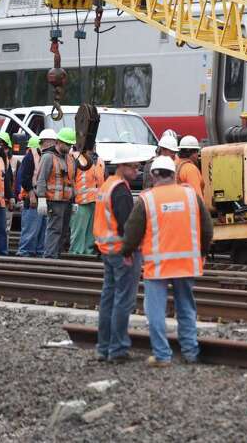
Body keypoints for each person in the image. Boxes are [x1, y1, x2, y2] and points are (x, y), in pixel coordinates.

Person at [121, 154, 213, 366]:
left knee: (155, 312)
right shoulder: (190, 196)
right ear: (174, 174)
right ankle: (190, 352)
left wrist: (127, 252)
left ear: (153, 175)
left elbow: (132, 230)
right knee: (186, 309)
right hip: (186, 263)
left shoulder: (147, 199)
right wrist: (204, 252)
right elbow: (207, 227)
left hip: (158, 266)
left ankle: (162, 356)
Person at [93, 144, 149, 363]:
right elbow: (127, 225)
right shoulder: (121, 190)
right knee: (123, 301)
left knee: (108, 299)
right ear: (122, 167)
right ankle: (117, 350)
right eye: (134, 167)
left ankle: (103, 348)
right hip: (122, 251)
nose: (137, 172)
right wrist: (131, 250)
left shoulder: (107, 185)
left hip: (107, 250)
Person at [35, 127, 74, 258]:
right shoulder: (47, 157)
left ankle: (57, 255)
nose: (69, 147)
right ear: (59, 142)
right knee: (54, 229)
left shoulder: (69, 158)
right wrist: (41, 198)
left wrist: (74, 200)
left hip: (66, 201)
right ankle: (50, 257)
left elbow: (71, 180)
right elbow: (41, 179)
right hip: (54, 201)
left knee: (64, 231)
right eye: (67, 144)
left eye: (71, 145)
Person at [69, 142, 103, 256]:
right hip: (80, 201)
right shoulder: (74, 157)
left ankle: (88, 253)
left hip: (95, 202)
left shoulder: (99, 160)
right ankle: (76, 253)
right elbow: (70, 178)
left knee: (91, 232)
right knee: (79, 230)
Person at [16, 135, 46, 257]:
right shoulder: (30, 157)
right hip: (32, 199)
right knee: (31, 229)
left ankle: (37, 252)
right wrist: (31, 195)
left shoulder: (41, 157)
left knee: (40, 229)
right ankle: (25, 252)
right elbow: (24, 179)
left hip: (41, 198)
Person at [175, 135, 205, 203]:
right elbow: (198, 198)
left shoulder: (175, 164)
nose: (198, 155)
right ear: (193, 152)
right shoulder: (190, 169)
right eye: (197, 151)